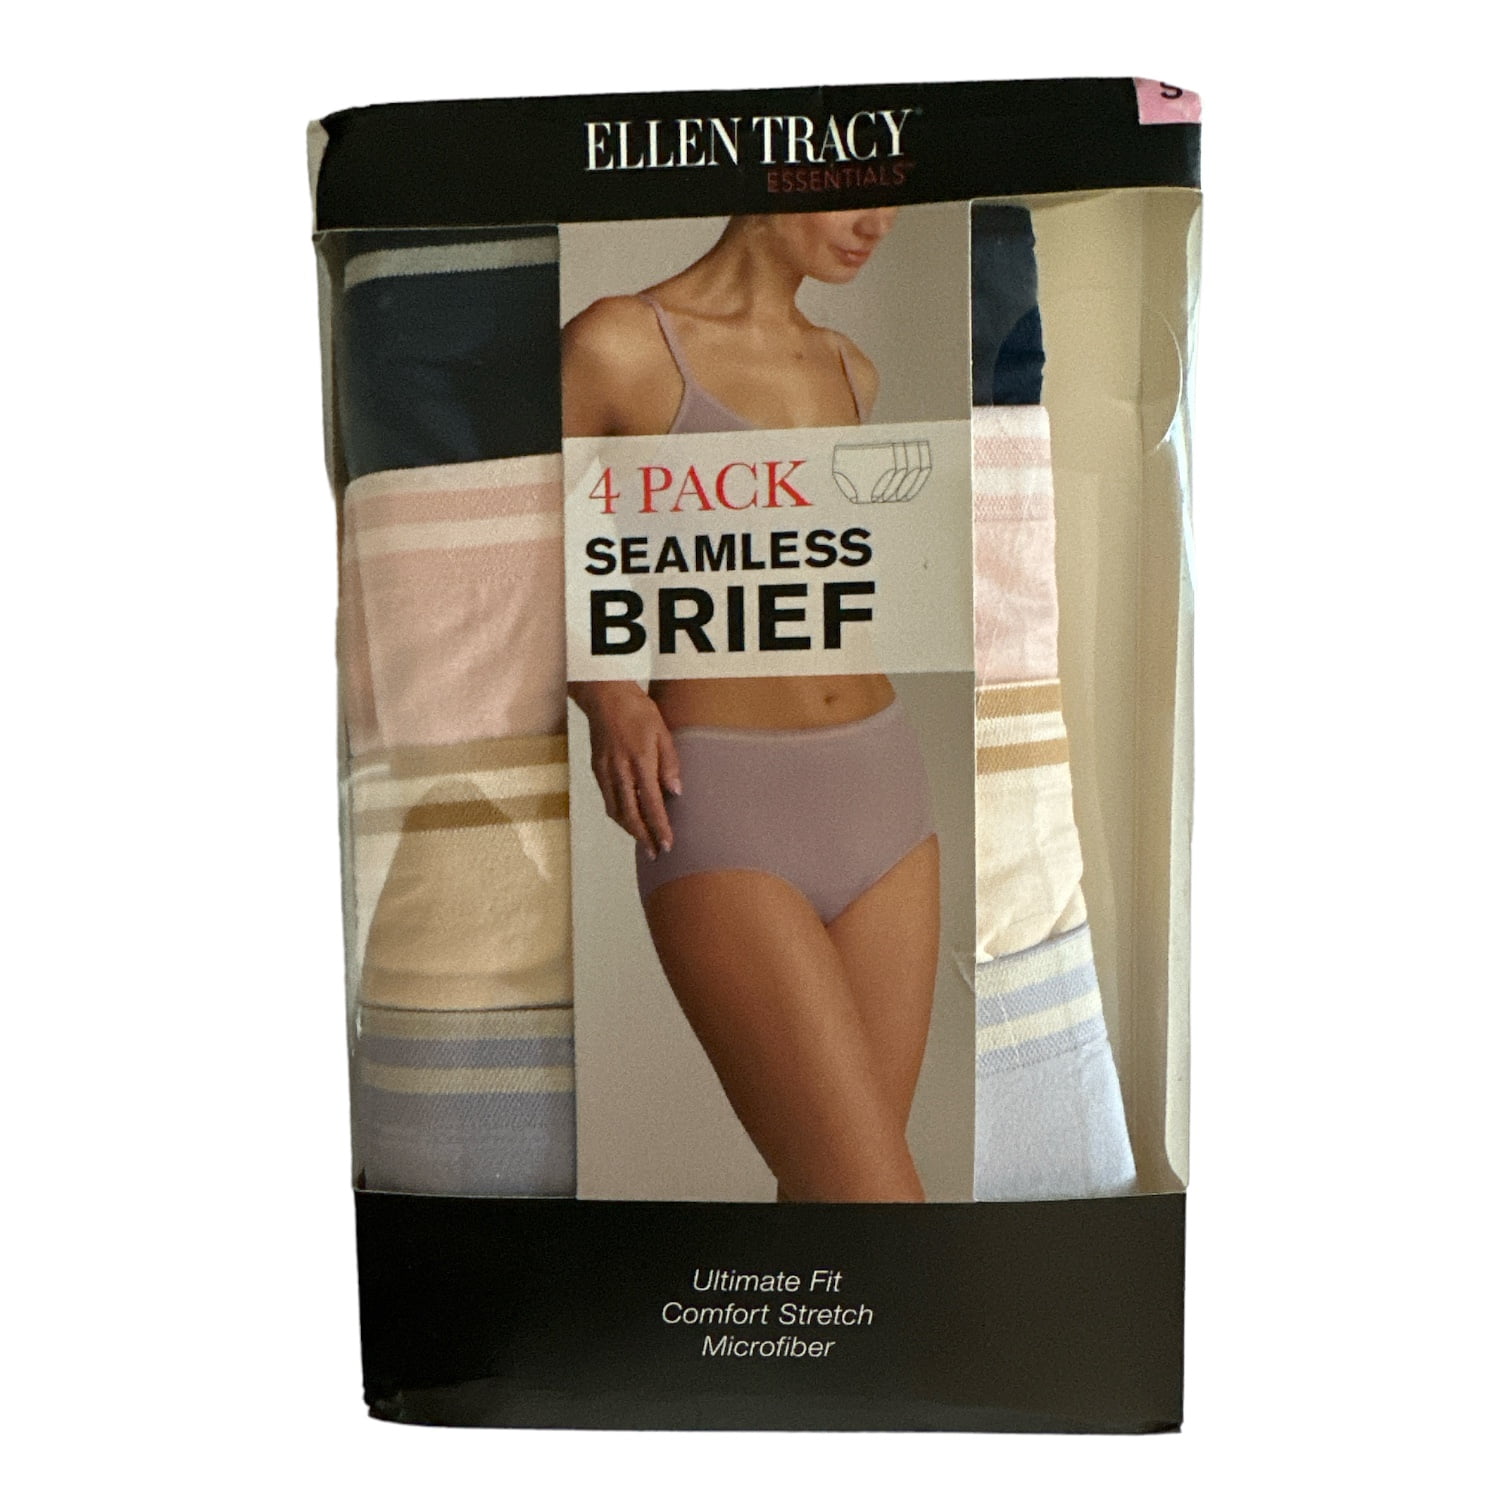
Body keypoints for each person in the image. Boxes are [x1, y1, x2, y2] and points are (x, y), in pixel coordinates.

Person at [563, 210, 939, 1202]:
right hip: (726, 801)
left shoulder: (853, 371)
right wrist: (605, 690)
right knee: (876, 1208)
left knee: (836, 1211)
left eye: (887, 197)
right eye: (848, 190)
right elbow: (511, 542)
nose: (876, 224)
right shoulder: (620, 345)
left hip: (888, 796)